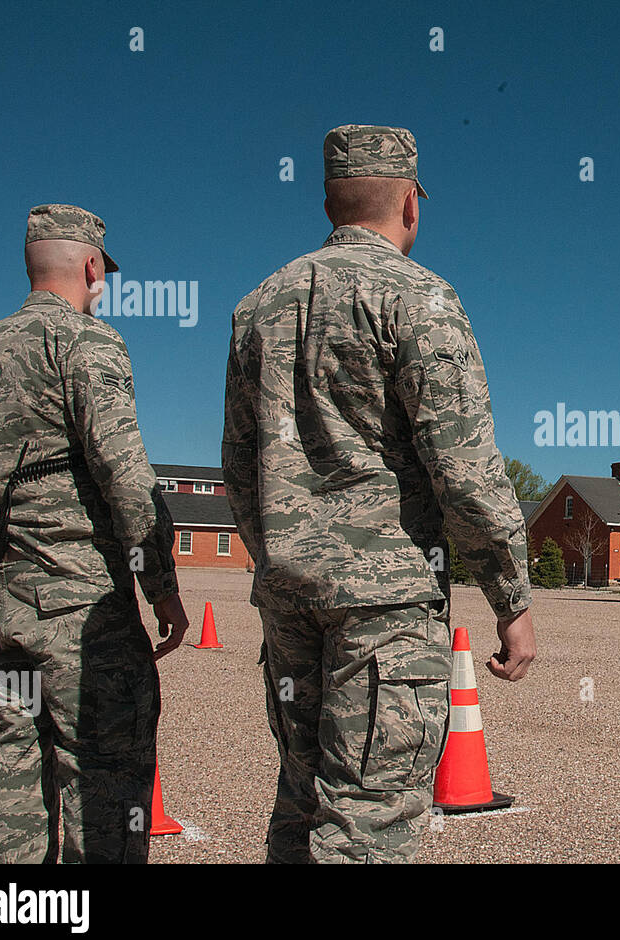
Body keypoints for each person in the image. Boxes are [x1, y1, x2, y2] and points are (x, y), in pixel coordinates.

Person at [223, 124, 535, 863]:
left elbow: (239, 466)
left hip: (290, 601)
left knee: (302, 802)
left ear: (330, 201)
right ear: (409, 204)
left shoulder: (258, 308)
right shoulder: (419, 299)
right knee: (371, 821)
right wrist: (511, 597)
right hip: (387, 608)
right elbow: (464, 468)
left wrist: (277, 556)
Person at [0, 204, 189, 863]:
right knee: (105, 800)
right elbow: (129, 480)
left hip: (1, 625)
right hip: (85, 627)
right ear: (90, 267)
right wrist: (162, 590)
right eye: (101, 272)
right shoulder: (87, 343)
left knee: (11, 800)